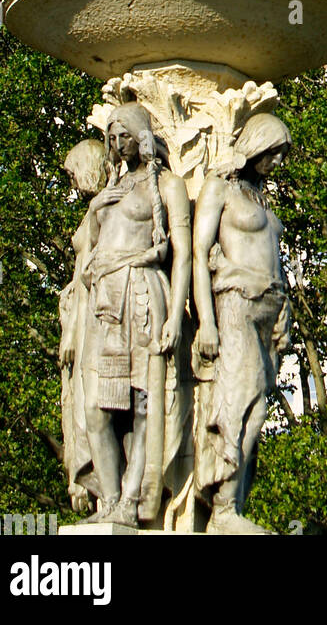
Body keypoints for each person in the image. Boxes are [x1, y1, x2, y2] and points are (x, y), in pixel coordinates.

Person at [79, 103, 191, 527]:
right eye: (111, 137)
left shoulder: (167, 185)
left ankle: (131, 499)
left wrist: (176, 319)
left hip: (144, 294)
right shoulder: (112, 187)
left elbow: (180, 255)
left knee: (144, 404)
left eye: (124, 135)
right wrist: (94, 209)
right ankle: (107, 499)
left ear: (142, 135)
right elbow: (87, 247)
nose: (116, 144)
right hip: (105, 299)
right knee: (96, 407)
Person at [192, 113, 291, 535]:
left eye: (283, 154)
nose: (278, 162)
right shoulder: (221, 189)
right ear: (255, 146)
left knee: (258, 407)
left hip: (271, 311)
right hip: (234, 304)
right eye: (273, 152)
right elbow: (199, 254)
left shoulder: (263, 199)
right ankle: (222, 509)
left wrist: (286, 313)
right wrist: (206, 323)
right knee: (239, 399)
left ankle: (233, 503)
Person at [58, 138, 107, 515]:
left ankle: (98, 481)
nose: (73, 181)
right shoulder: (98, 208)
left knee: (89, 401)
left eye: (75, 172)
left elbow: (89, 271)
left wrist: (73, 333)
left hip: (91, 318)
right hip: (83, 313)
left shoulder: (102, 208)